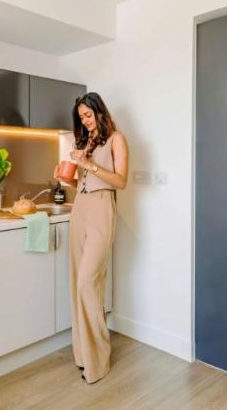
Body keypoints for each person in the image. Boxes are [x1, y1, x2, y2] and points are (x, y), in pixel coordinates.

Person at [55, 92, 128, 384]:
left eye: (88, 115)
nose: (85, 121)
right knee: (77, 281)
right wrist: (66, 178)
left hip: (101, 208)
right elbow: (81, 183)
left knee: (89, 282)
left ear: (100, 112)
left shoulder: (117, 139)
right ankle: (83, 356)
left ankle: (98, 360)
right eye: (81, 117)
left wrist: (89, 165)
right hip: (80, 209)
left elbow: (120, 181)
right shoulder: (84, 142)